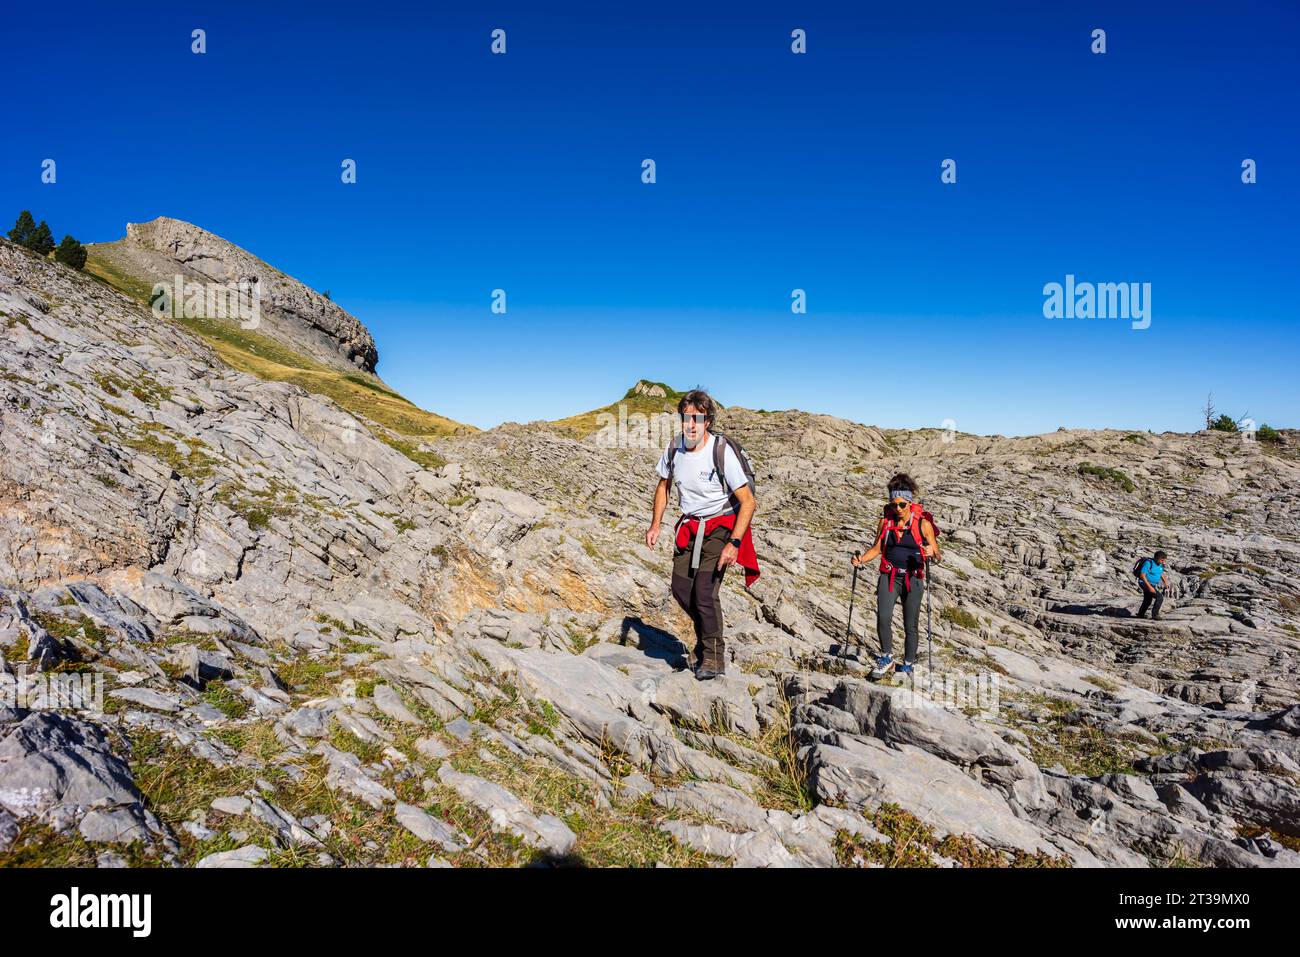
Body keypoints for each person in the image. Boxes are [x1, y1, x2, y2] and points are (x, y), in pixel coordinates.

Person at [646, 389, 758, 680]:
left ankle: (713, 656)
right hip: (690, 526)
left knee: (705, 593)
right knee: (682, 590)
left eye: (698, 418)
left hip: (720, 526)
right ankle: (705, 641)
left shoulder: (720, 451)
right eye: (686, 418)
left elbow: (748, 501)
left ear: (707, 420)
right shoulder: (674, 449)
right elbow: (663, 486)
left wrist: (733, 543)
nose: (691, 424)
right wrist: (656, 524)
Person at [852, 473, 940, 679]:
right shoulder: (885, 523)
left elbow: (937, 555)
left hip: (914, 578)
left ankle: (908, 663)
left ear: (910, 502)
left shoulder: (923, 525)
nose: (897, 509)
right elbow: (877, 548)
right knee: (883, 616)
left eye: (901, 505)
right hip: (889, 575)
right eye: (893, 505)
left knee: (911, 623)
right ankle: (887, 658)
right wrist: (861, 560)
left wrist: (931, 552)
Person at [1135, 550, 1170, 620]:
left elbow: (1161, 573)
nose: (1163, 562)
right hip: (1144, 583)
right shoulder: (1148, 563)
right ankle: (1155, 615)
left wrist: (1165, 582)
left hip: (1152, 584)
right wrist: (1150, 587)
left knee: (1147, 600)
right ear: (1157, 558)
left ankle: (1140, 614)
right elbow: (1142, 575)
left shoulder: (1159, 564)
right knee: (1159, 597)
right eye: (1162, 560)